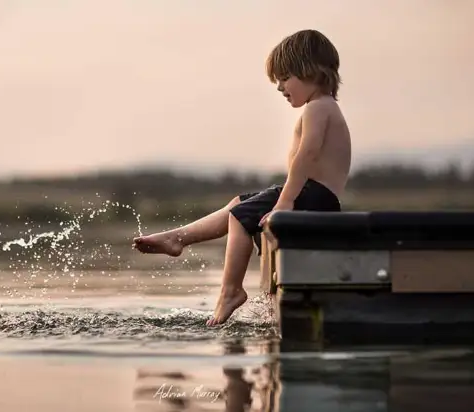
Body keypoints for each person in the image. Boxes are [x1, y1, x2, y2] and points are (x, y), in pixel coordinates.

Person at [133, 29, 352, 326]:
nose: (279, 88)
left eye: (284, 78)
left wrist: (285, 201)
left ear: (309, 71)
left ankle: (231, 291)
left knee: (239, 215)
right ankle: (177, 238)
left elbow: (307, 155)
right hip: (315, 196)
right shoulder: (325, 107)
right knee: (238, 203)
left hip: (312, 195)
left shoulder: (318, 108)